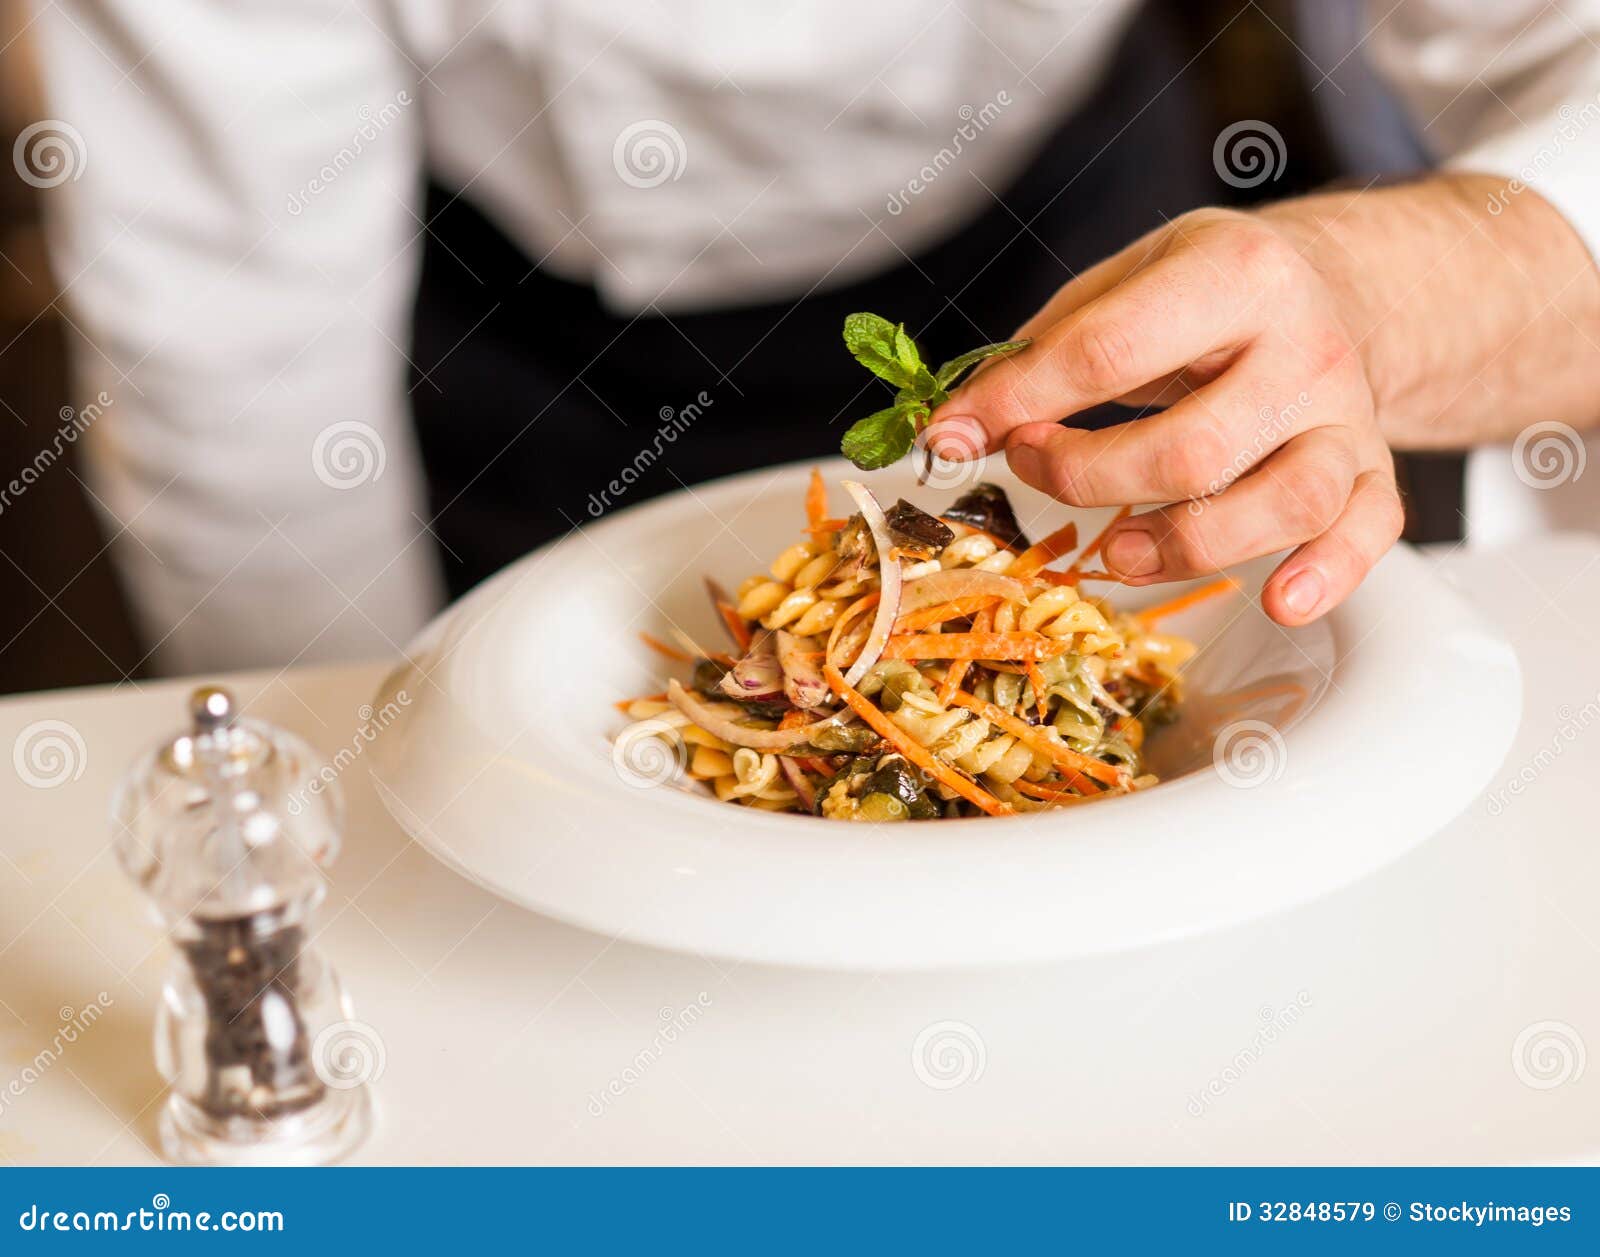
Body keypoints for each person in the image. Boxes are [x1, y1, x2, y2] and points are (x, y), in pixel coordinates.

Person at [30, 0, 1600, 673]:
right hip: (526, 364)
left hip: (1080, 246)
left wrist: (1382, 293)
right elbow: (228, 318)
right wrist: (367, 800)